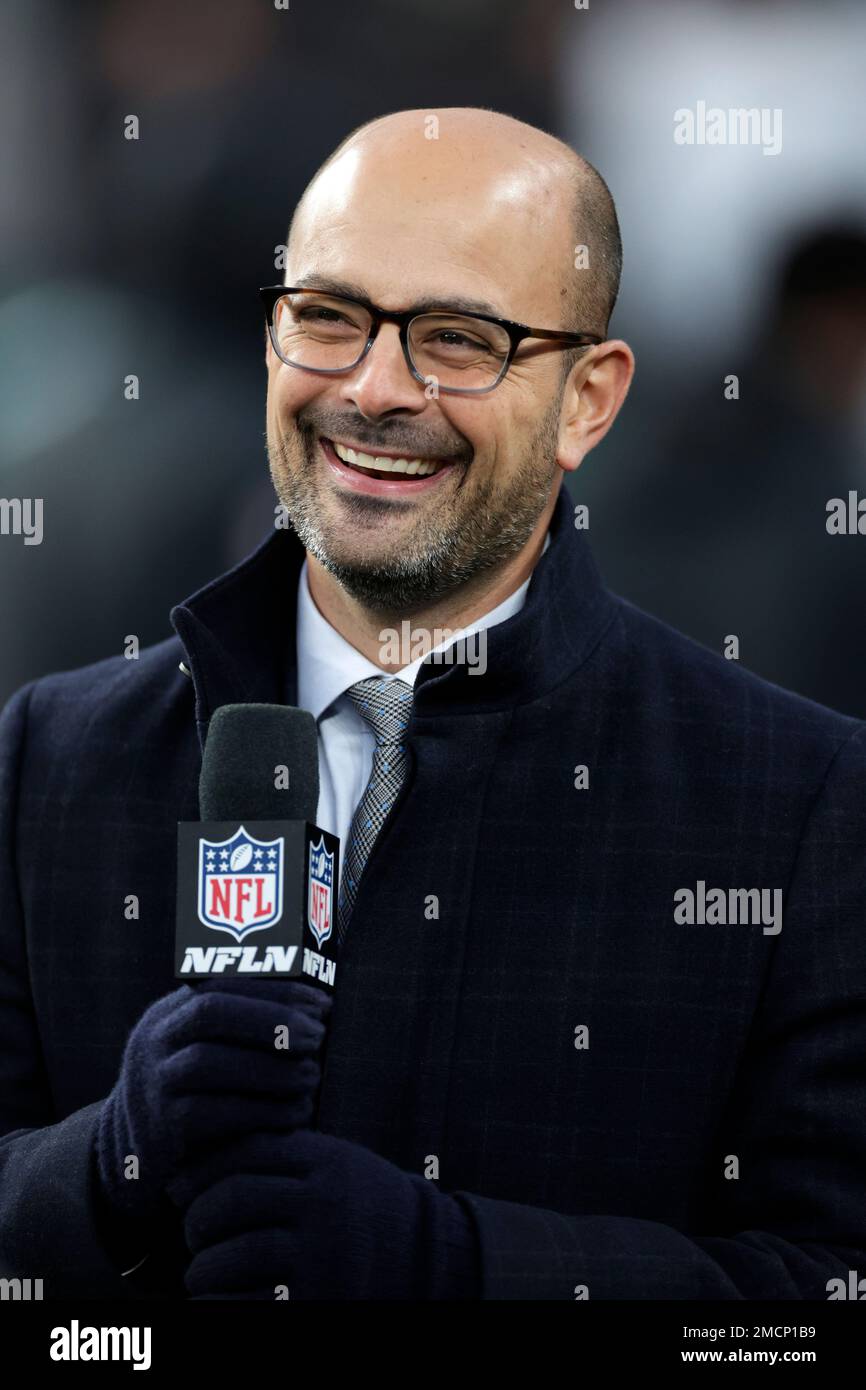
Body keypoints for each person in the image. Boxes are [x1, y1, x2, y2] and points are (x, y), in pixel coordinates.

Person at [1, 107, 864, 1301]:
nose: (375, 387)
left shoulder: (802, 801)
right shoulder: (48, 755)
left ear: (587, 401)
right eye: (328, 318)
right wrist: (100, 1163)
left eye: (458, 339)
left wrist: (457, 1267)